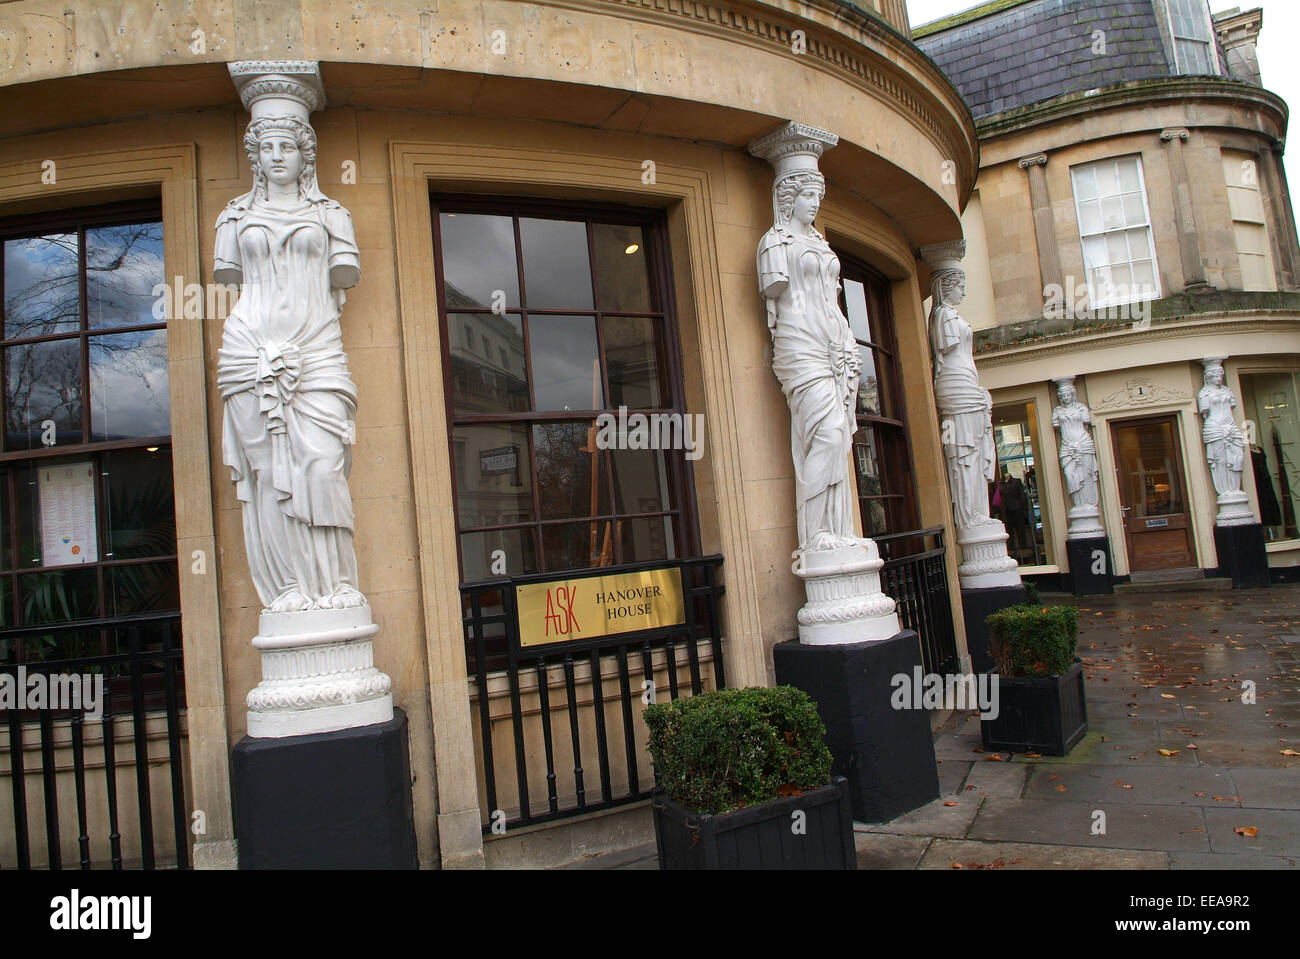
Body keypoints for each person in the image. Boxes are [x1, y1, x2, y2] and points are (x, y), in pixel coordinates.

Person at [214, 113, 365, 613]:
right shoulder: (232, 217)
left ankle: (337, 585)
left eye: (288, 146)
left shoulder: (332, 215)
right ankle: (288, 591)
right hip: (248, 351)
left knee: (323, 465)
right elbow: (228, 273)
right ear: (255, 158)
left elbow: (344, 273)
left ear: (306, 157)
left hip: (318, 347)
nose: (277, 155)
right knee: (266, 477)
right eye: (268, 147)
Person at [757, 169, 861, 553]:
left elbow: (831, 299)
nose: (815, 202)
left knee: (837, 437)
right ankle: (814, 533)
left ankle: (837, 529)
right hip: (800, 343)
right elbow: (777, 293)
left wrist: (846, 340)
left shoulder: (820, 243)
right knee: (829, 432)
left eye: (819, 194)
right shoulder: (774, 243)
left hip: (834, 342)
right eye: (807, 194)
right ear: (789, 200)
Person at [930, 269, 998, 530]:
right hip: (956, 386)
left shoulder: (950, 314)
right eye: (960, 286)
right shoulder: (943, 315)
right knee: (963, 452)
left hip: (966, 384)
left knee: (973, 451)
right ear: (947, 288)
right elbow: (946, 352)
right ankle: (970, 514)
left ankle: (978, 511)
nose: (964, 292)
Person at [1197, 361, 1246, 498]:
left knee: (1238, 457)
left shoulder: (1227, 390)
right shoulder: (1204, 393)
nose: (1219, 379)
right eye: (1216, 376)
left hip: (1231, 425)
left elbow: (1232, 407)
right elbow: (1205, 413)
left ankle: (1235, 488)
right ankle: (1225, 491)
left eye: (1220, 376)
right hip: (1214, 427)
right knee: (1221, 461)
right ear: (1209, 378)